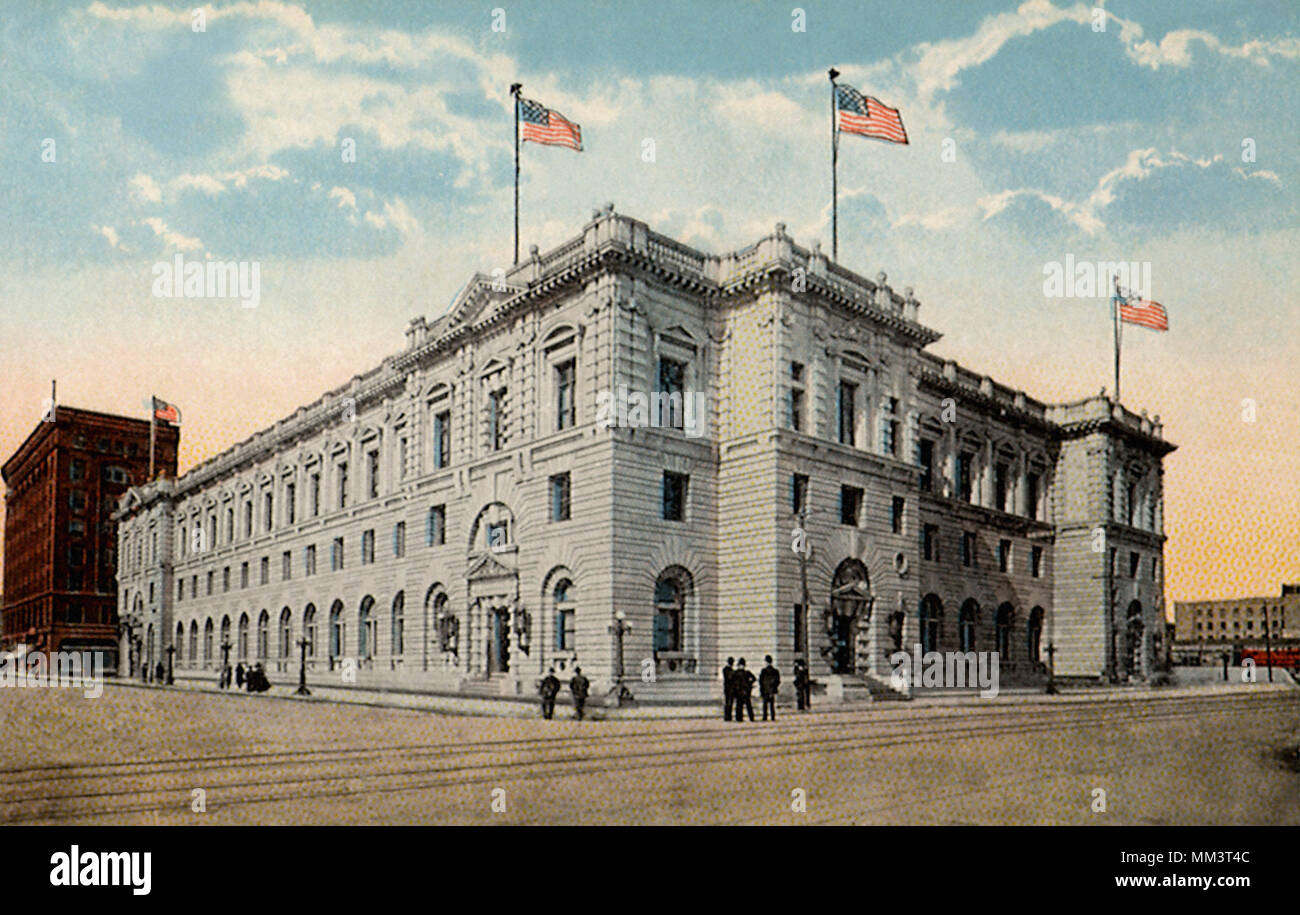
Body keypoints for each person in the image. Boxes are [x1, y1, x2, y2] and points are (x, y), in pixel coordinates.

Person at [732, 658, 756, 723]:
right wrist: (750, 684)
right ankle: (750, 717)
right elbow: (754, 678)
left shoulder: (736, 673)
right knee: (746, 705)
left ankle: (740, 718)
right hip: (744, 691)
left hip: (741, 691)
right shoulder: (746, 673)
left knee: (740, 705)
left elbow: (733, 682)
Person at [759, 655, 781, 721]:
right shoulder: (775, 671)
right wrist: (774, 688)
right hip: (771, 690)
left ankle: (765, 717)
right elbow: (778, 681)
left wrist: (761, 689)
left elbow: (761, 681)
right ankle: (772, 717)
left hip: (765, 690)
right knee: (771, 704)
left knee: (765, 704)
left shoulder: (763, 671)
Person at [721, 657, 736, 721]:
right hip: (729, 688)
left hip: (728, 688)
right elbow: (729, 677)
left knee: (729, 702)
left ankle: (728, 716)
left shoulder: (727, 669)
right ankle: (727, 716)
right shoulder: (728, 670)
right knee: (728, 703)